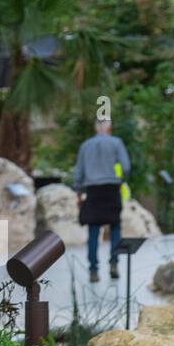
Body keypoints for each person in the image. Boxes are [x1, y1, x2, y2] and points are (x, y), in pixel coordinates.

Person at [72, 119, 130, 283]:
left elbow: (78, 172)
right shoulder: (116, 143)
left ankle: (93, 270)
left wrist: (78, 192)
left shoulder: (85, 146)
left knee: (93, 230)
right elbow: (126, 167)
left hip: (93, 191)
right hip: (111, 188)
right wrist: (121, 181)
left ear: (95, 129)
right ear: (109, 129)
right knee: (115, 227)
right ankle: (114, 263)